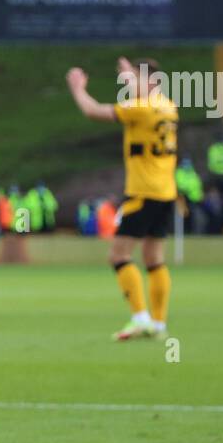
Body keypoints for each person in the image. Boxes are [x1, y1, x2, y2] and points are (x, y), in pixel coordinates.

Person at [66, 58, 177, 341]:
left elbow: (92, 111)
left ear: (151, 82)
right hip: (166, 192)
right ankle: (159, 324)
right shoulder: (168, 106)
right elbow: (140, 91)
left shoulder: (139, 109)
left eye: (136, 80)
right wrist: (130, 74)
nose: (129, 86)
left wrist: (78, 88)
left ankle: (140, 318)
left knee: (118, 255)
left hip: (143, 192)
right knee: (154, 258)